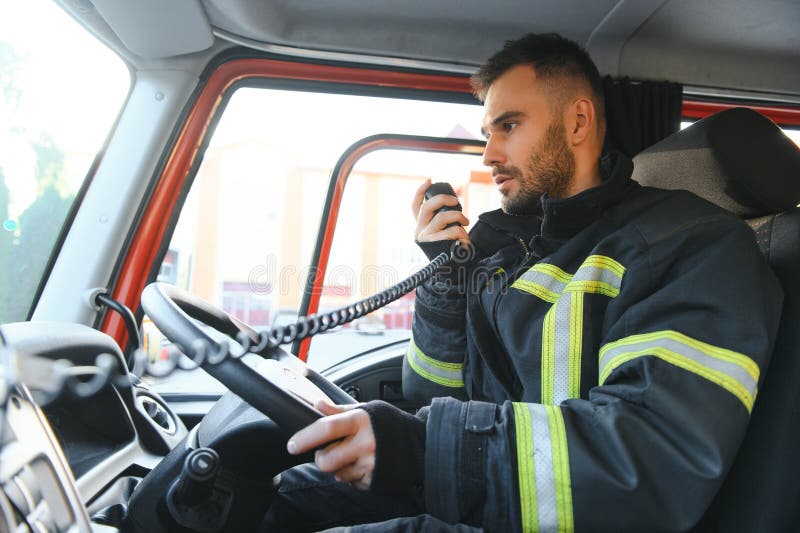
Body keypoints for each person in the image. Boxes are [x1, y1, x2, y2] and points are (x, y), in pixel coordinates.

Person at [265, 33, 783, 532]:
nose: (488, 154)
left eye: (508, 126)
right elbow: (431, 391)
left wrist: (425, 451)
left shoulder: (690, 246)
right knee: (276, 494)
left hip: (574, 516)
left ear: (578, 121)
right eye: (487, 133)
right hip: (492, 496)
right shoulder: (508, 247)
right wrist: (445, 280)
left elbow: (652, 459)